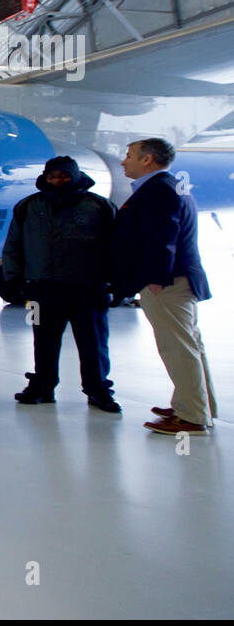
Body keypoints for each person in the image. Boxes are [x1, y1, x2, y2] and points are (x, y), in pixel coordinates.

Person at [112, 138, 216, 435]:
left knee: (178, 348)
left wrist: (156, 278)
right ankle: (198, 404)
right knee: (189, 345)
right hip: (180, 278)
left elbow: (163, 238)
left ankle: (192, 417)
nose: (124, 161)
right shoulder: (171, 187)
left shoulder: (158, 190)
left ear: (148, 160)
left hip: (168, 283)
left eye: (129, 155)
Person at [2, 156, 118, 411]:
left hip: (87, 288)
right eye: (52, 177)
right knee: (43, 341)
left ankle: (98, 390)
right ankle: (43, 386)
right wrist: (14, 279)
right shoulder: (29, 206)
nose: (57, 181)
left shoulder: (99, 207)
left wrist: (116, 284)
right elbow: (14, 245)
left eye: (63, 176)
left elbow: (116, 249)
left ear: (75, 176)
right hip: (44, 288)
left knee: (93, 343)